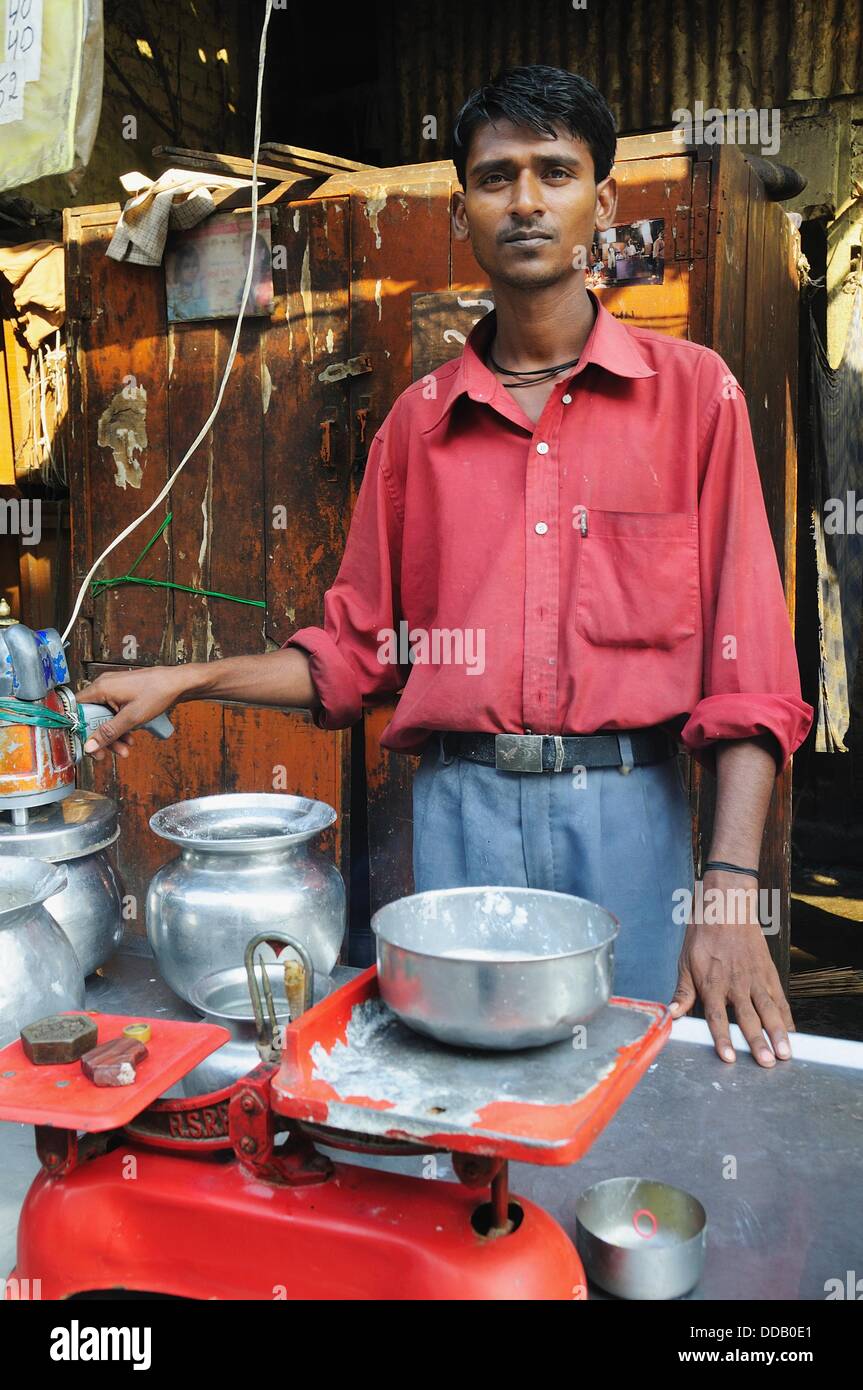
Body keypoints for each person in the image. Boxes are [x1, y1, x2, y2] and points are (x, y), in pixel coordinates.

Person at [77, 65, 812, 1069]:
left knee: (629, 1101)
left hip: (629, 815)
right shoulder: (415, 430)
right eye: (493, 176)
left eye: (553, 172)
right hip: (455, 816)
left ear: (601, 202)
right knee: (457, 1110)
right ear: (462, 206)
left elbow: (753, 682)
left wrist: (726, 893)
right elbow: (353, 659)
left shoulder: (692, 400)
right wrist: (190, 677)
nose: (522, 201)